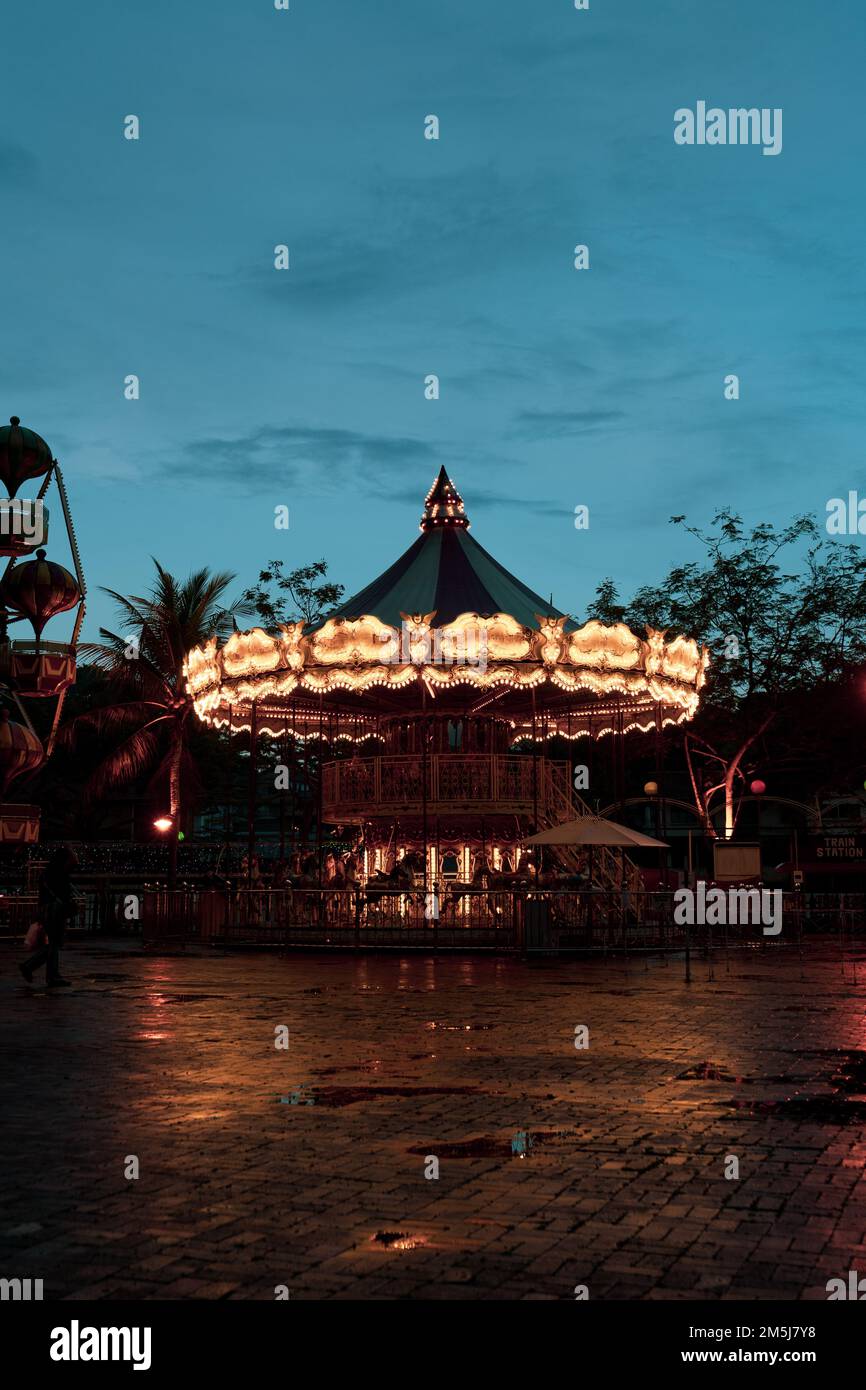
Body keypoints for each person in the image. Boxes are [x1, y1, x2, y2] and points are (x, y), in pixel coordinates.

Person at [20, 847, 79, 987]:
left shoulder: (48, 873)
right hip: (55, 910)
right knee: (54, 943)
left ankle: (47, 973)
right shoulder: (59, 874)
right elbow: (64, 892)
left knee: (53, 943)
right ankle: (39, 970)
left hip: (48, 909)